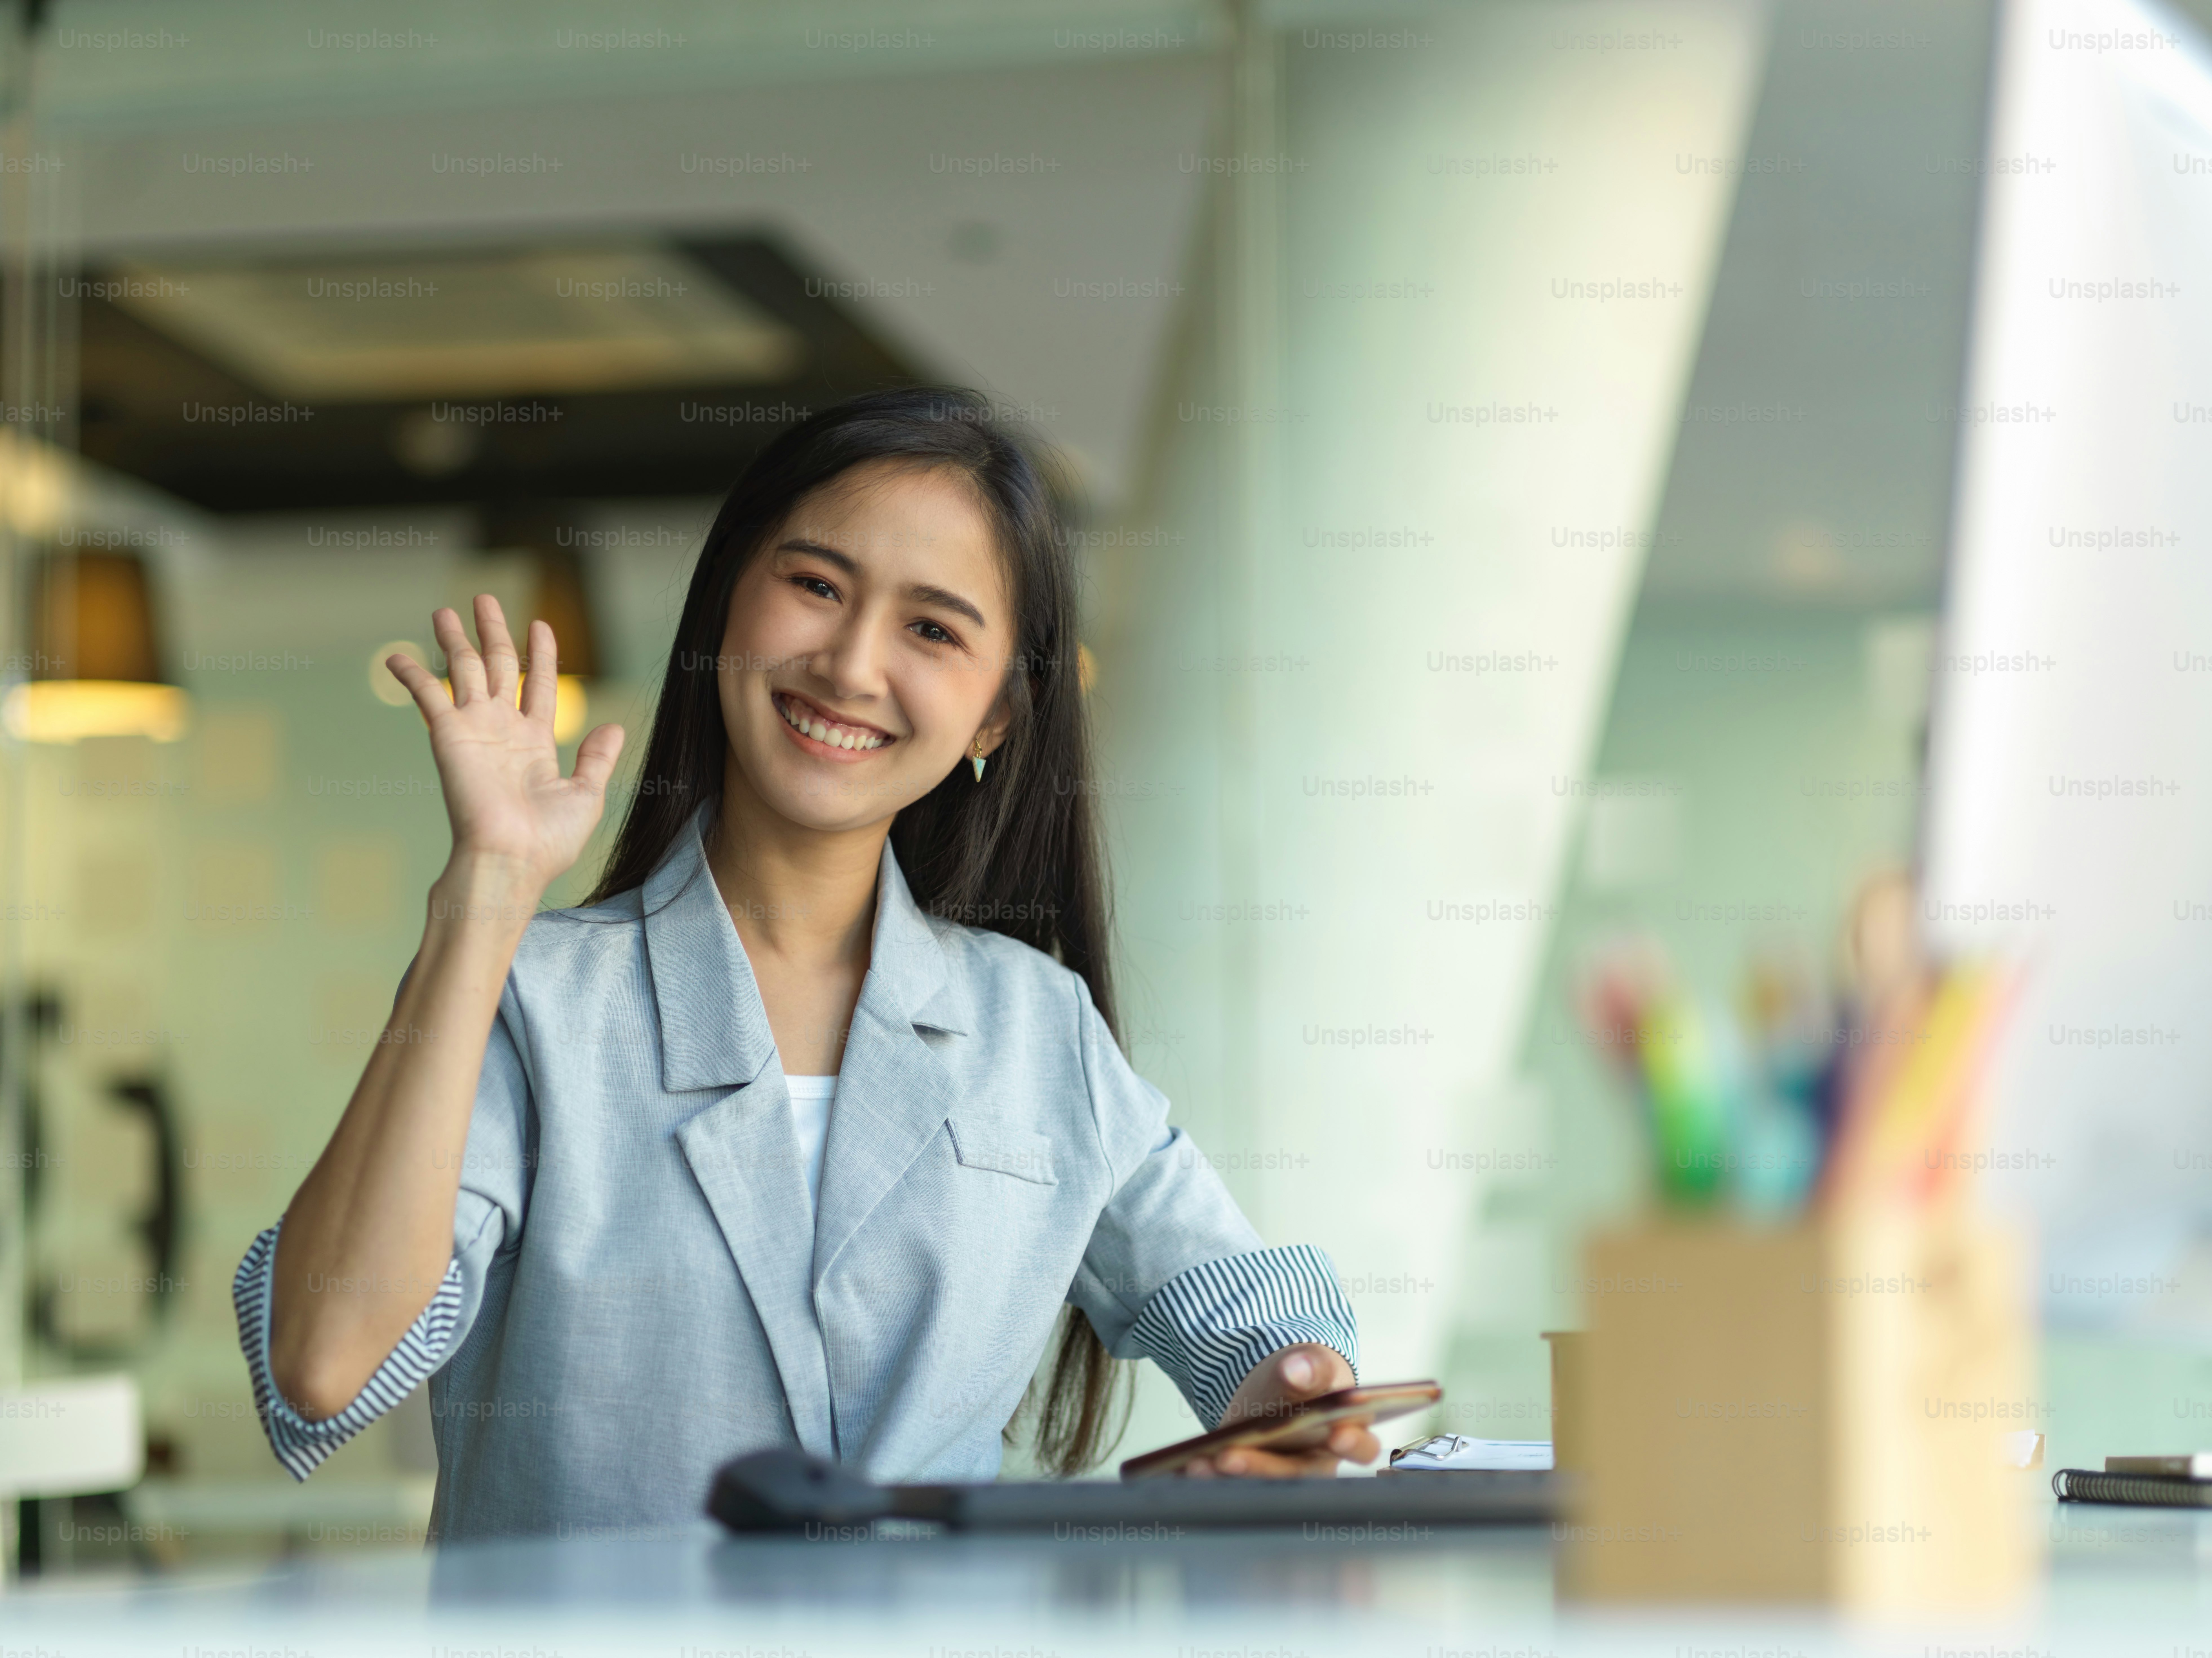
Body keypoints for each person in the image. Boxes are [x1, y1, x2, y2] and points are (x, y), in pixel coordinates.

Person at [235, 387, 1373, 1542]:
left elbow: (1241, 1318)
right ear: (729, 600)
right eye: (816, 587)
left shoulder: (1034, 1024)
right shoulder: (534, 997)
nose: (850, 663)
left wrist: (1298, 1391)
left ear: (996, 717)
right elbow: (326, 1362)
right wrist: (487, 886)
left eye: (933, 629)